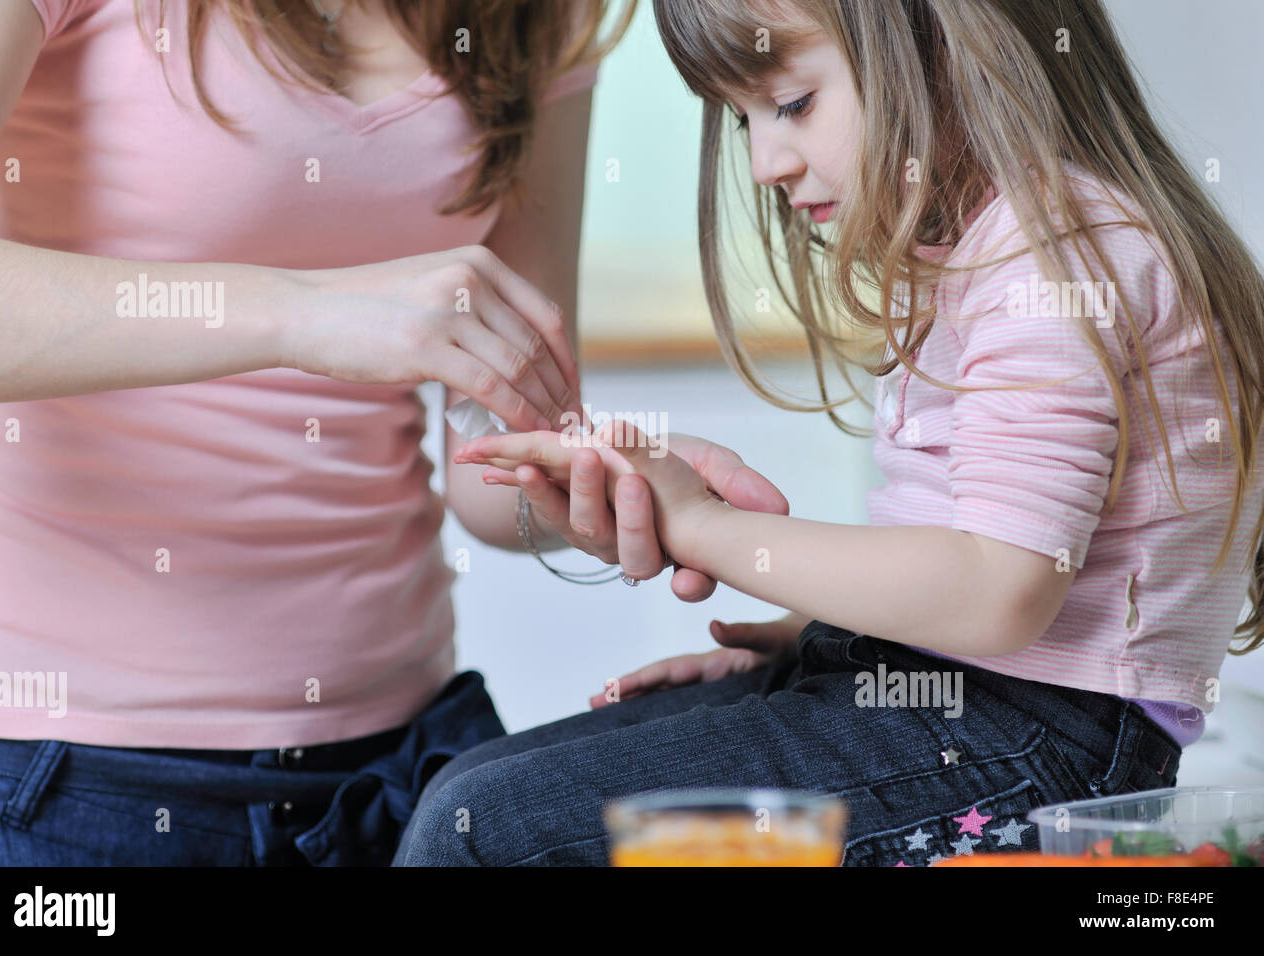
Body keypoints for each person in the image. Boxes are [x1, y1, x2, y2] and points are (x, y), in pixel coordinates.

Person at [394, 0, 1264, 866]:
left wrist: (701, 523)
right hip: (960, 699)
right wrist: (815, 639)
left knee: (481, 827)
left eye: (794, 102)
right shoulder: (989, 247)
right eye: (743, 118)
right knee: (469, 795)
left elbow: (999, 588)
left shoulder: (1053, 257)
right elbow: (963, 556)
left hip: (1036, 737)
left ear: (944, 39)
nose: (765, 160)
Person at [0, 0, 789, 866]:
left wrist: (596, 479)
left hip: (405, 766)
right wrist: (302, 313)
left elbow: (490, 452)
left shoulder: (540, 15)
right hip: (70, 779)